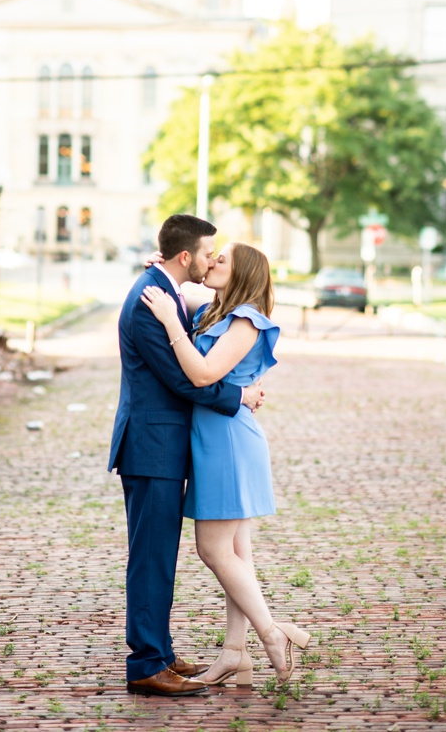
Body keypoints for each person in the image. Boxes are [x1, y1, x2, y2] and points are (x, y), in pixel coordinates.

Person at [107, 213, 266, 698]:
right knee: (151, 559)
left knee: (159, 556)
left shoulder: (163, 289)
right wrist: (238, 397)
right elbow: (184, 380)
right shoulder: (148, 302)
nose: (211, 260)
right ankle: (146, 665)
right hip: (151, 448)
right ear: (185, 256)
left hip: (160, 447)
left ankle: (160, 651)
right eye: (206, 253)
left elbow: (203, 304)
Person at [140, 240, 311, 685]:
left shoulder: (245, 321)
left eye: (222, 260)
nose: (212, 262)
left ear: (243, 274)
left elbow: (201, 374)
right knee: (237, 555)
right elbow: (186, 292)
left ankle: (273, 635)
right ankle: (235, 653)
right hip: (214, 440)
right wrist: (164, 272)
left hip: (230, 443)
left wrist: (166, 320)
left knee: (213, 550)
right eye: (211, 257)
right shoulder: (213, 311)